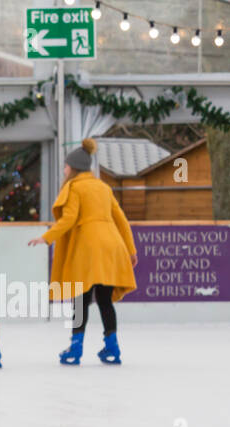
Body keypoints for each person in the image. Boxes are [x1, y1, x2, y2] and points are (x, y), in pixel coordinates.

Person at [28, 138, 137, 365]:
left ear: (74, 168)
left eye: (66, 166)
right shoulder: (103, 187)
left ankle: (76, 347)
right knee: (105, 300)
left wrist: (46, 237)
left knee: (81, 300)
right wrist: (131, 249)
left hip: (88, 247)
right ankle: (113, 346)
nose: (64, 170)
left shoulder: (74, 187)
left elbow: (68, 219)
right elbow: (122, 220)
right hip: (111, 246)